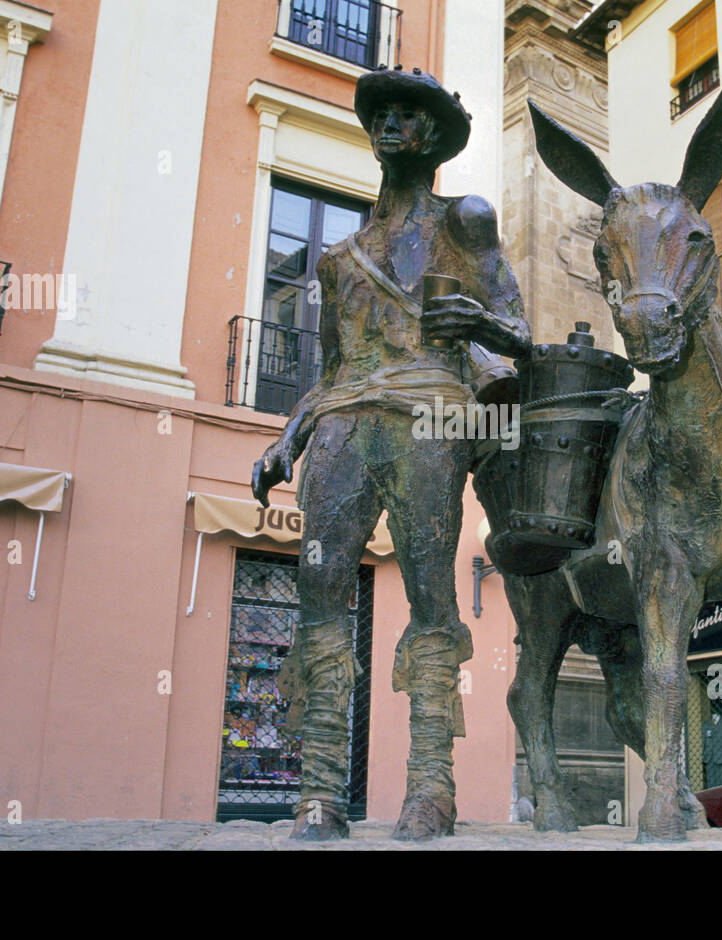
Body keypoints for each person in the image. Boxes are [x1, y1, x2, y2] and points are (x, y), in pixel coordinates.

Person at [252, 65, 530, 841]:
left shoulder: (466, 221)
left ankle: (429, 787)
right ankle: (318, 792)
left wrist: (479, 322)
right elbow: (329, 372)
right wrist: (285, 438)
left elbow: (520, 334)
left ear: (435, 136)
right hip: (342, 422)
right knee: (318, 585)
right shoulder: (339, 259)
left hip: (430, 420)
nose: (390, 126)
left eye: (408, 115)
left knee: (432, 593)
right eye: (382, 115)